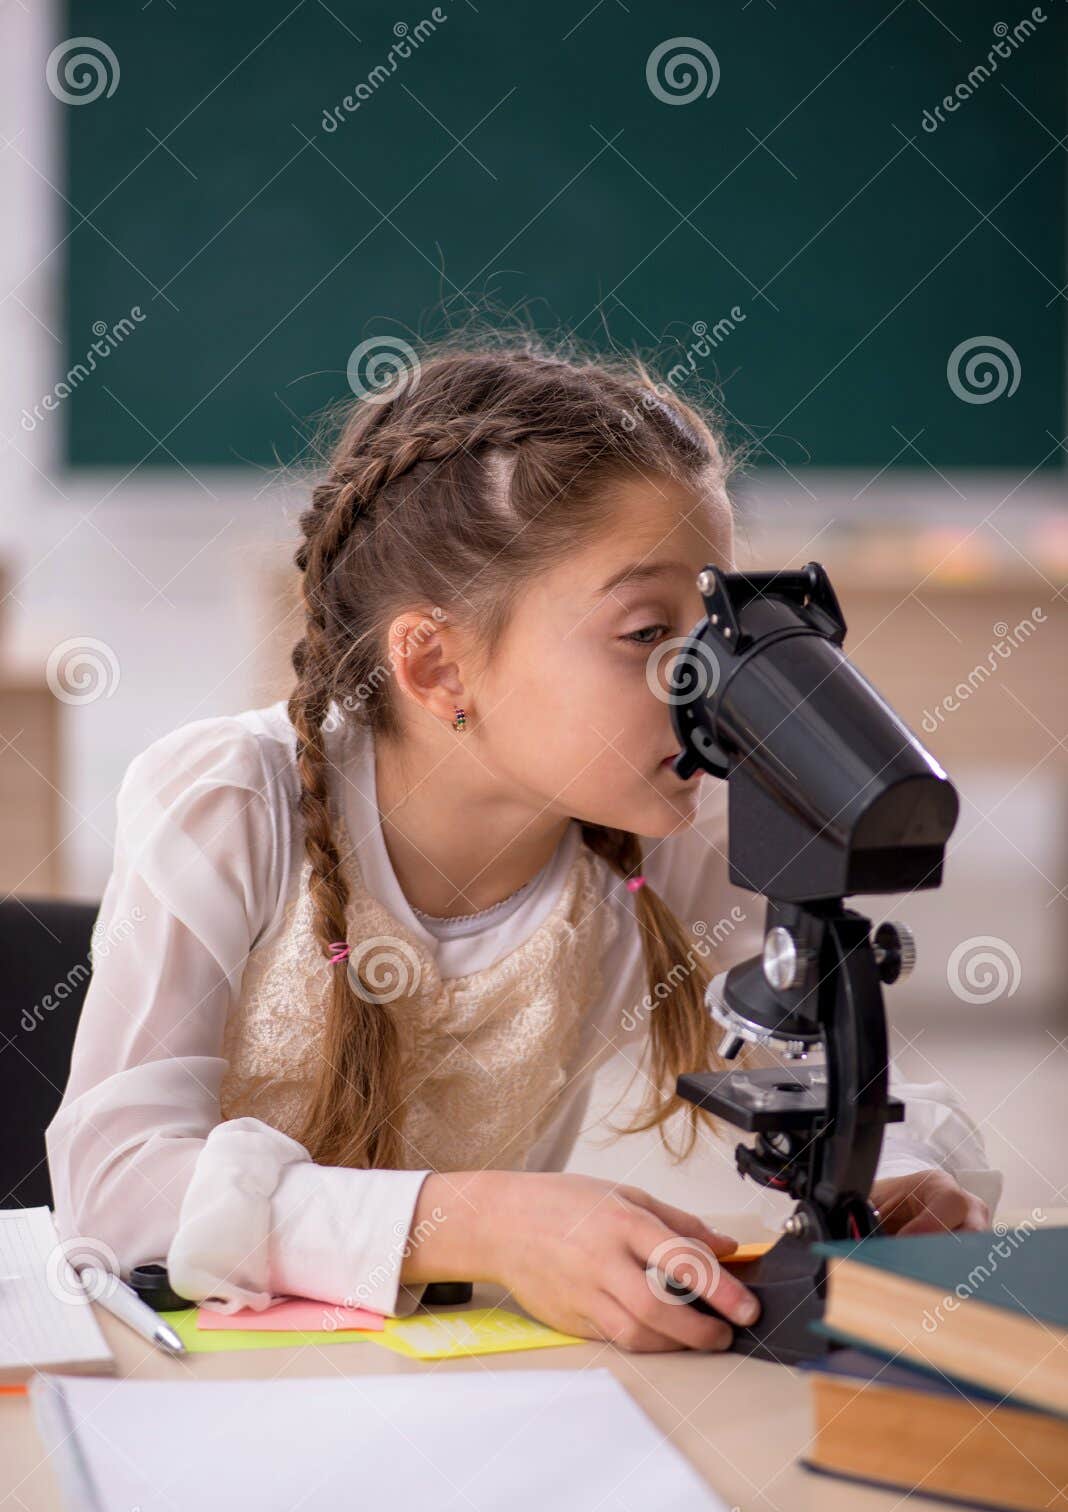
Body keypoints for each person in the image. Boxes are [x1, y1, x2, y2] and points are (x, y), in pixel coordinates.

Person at [46, 336, 998, 1354]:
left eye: (714, 625)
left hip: (466, 1380)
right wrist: (487, 1222)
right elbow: (118, 1187)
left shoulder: (671, 832)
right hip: (196, 1381)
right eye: (647, 633)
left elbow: (818, 1062)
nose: (707, 686)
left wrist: (895, 1173)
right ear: (437, 665)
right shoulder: (232, 801)